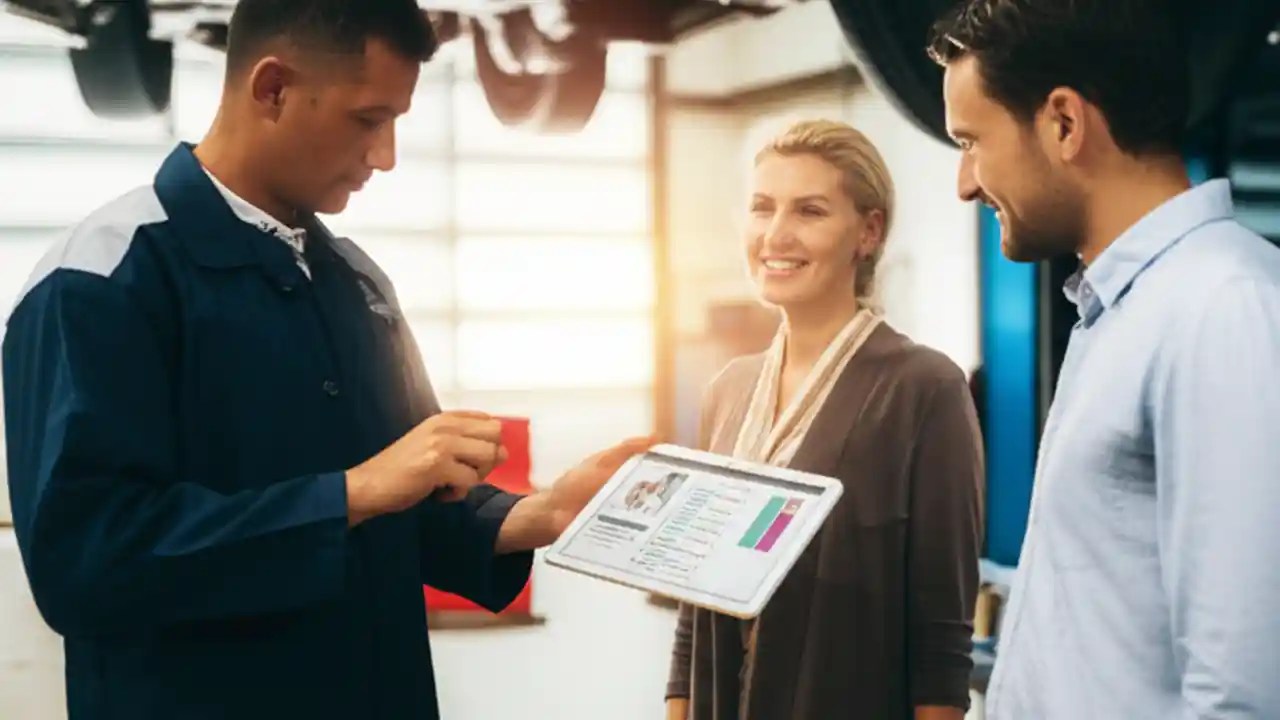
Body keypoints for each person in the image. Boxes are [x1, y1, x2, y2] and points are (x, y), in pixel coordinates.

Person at [0, 1, 651, 718]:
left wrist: (544, 512)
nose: (386, 155)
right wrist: (352, 492)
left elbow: (417, 505)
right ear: (273, 88)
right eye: (369, 119)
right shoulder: (102, 279)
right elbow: (86, 565)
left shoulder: (357, 281)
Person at [928, 1, 1280, 717]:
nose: (964, 183)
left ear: (1063, 123)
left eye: (972, 141)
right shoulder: (1122, 310)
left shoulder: (1220, 306)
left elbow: (1244, 688)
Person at [663, 119, 984, 720]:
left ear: (868, 231)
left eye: (809, 211)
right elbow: (692, 611)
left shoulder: (922, 389)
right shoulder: (728, 392)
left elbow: (941, 643)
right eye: (762, 208)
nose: (775, 235)